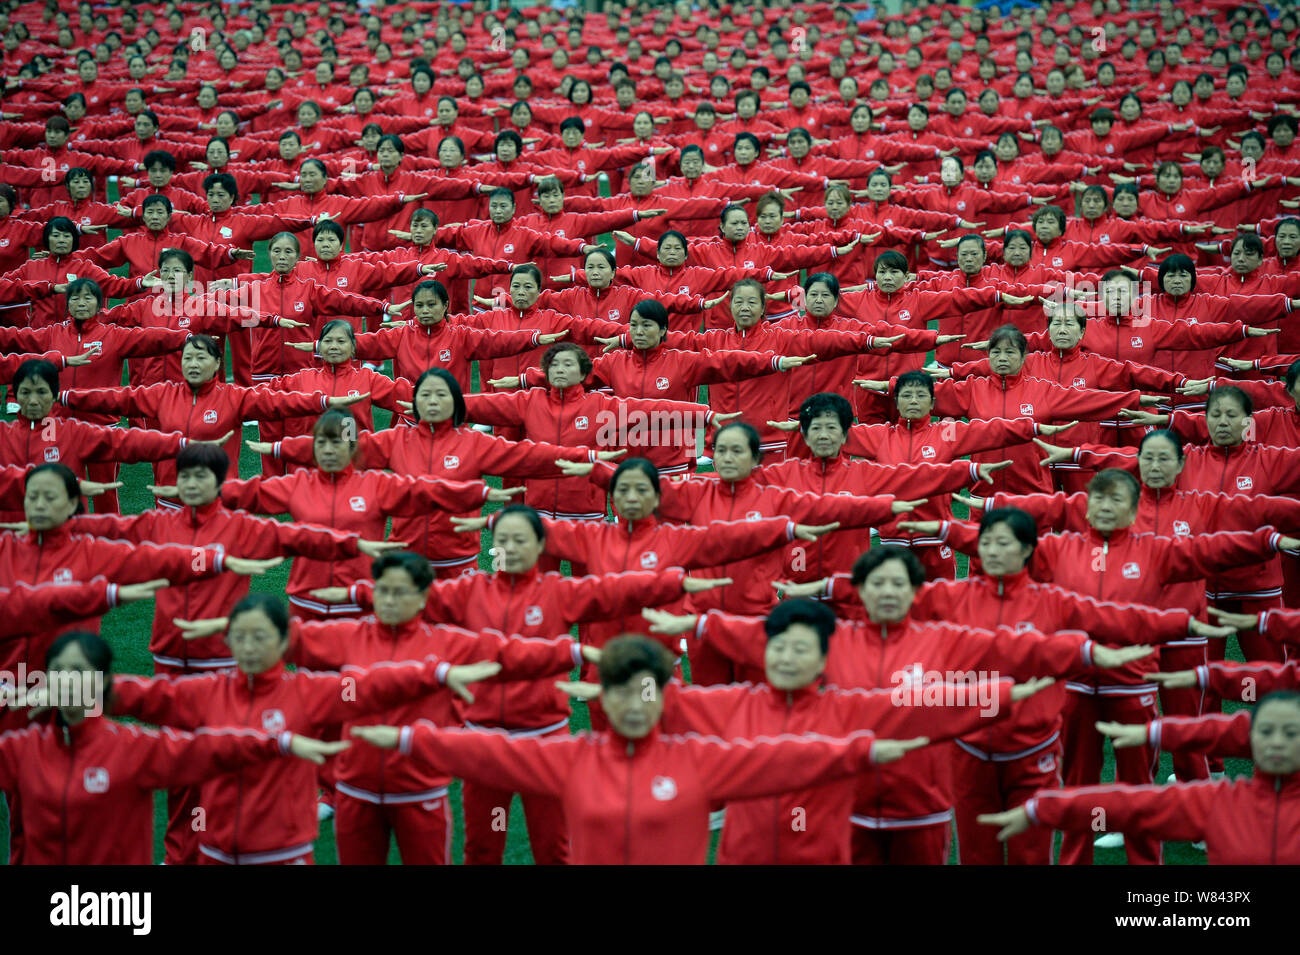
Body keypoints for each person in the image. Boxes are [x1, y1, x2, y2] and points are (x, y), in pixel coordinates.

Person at [644, 544, 1153, 865]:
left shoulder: (943, 638)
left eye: (898, 584)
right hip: (851, 810)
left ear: (915, 592)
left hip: (922, 806)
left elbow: (1012, 652)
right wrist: (696, 627)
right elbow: (765, 638)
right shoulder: (829, 642)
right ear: (858, 592)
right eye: (876, 584)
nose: (887, 593)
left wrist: (1076, 654)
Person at [348, 634, 928, 865]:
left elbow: (783, 759)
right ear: (601, 698)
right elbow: (489, 754)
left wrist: (859, 752)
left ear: (664, 699)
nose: (633, 704)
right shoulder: (573, 757)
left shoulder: (696, 760)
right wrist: (408, 738)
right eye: (620, 692)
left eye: (646, 693)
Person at [105, 593, 503, 865]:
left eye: (260, 637)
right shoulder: (203, 694)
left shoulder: (309, 692)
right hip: (215, 851)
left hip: (284, 851)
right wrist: (73, 688)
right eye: (239, 638)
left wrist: (437, 674)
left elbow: (372, 685)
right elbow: (143, 695)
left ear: (284, 642)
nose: (249, 647)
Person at [0, 630, 343, 865]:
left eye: (77, 672)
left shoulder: (131, 748)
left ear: (103, 681)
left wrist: (280, 743)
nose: (66, 680)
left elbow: (209, 749)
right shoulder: (20, 750)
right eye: (57, 671)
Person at [980, 691, 1300, 865]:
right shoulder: (1221, 802)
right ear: (1248, 739)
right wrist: (1040, 810)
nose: (1276, 742)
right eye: (1266, 732)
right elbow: (1134, 805)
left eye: (1291, 733)